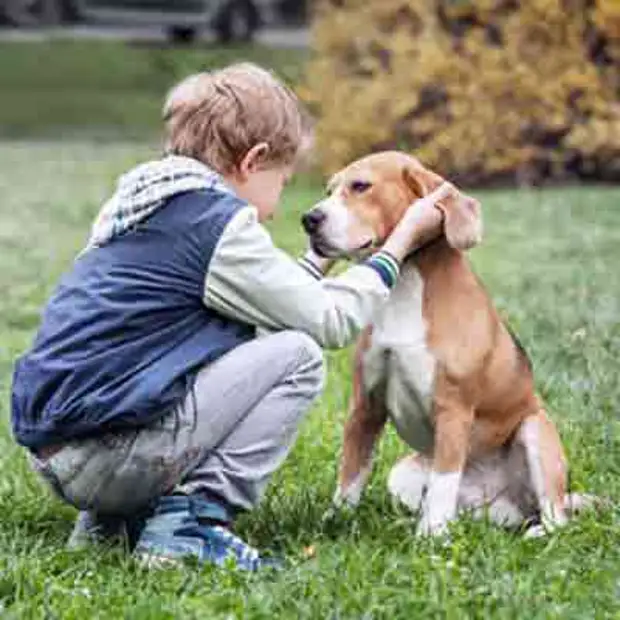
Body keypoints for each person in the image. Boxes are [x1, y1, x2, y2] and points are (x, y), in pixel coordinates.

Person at [11, 63, 448, 571]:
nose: (275, 208)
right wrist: (397, 246)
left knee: (230, 351)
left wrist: (316, 259)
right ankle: (190, 525)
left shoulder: (142, 205)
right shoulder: (214, 224)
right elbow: (328, 322)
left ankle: (112, 524)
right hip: (110, 458)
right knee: (298, 357)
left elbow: (263, 306)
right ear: (253, 160)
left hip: (57, 451)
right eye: (281, 182)